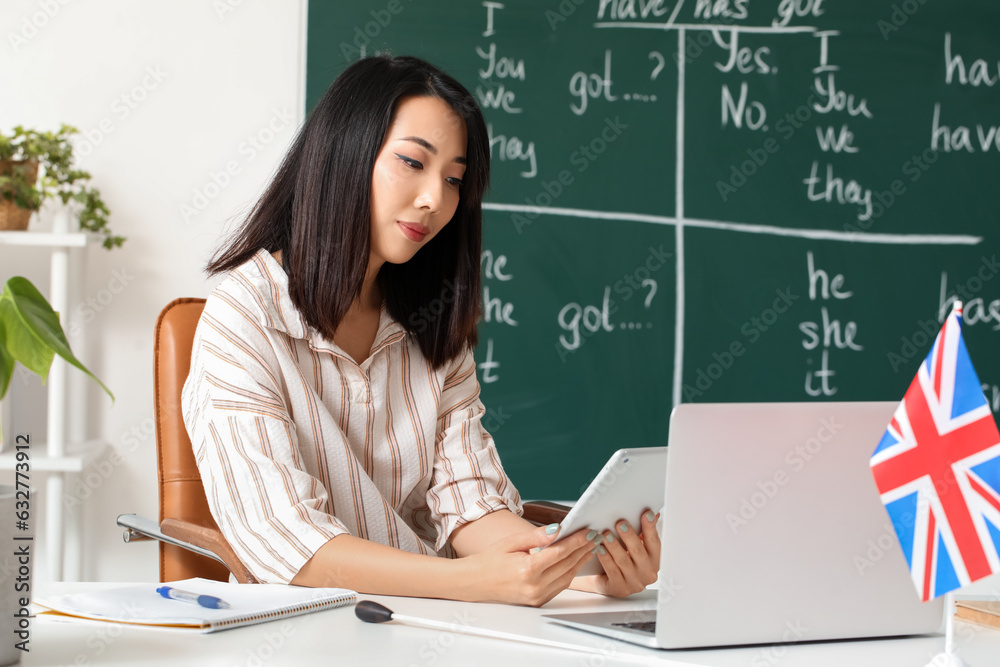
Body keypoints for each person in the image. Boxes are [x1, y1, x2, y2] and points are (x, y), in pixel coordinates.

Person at [182, 54, 659, 606]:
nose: (436, 199)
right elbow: (286, 540)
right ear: (344, 155)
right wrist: (466, 583)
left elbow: (470, 501)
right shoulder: (245, 316)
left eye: (454, 179)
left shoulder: (431, 323)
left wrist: (580, 570)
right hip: (303, 632)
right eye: (413, 162)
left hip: (430, 627)